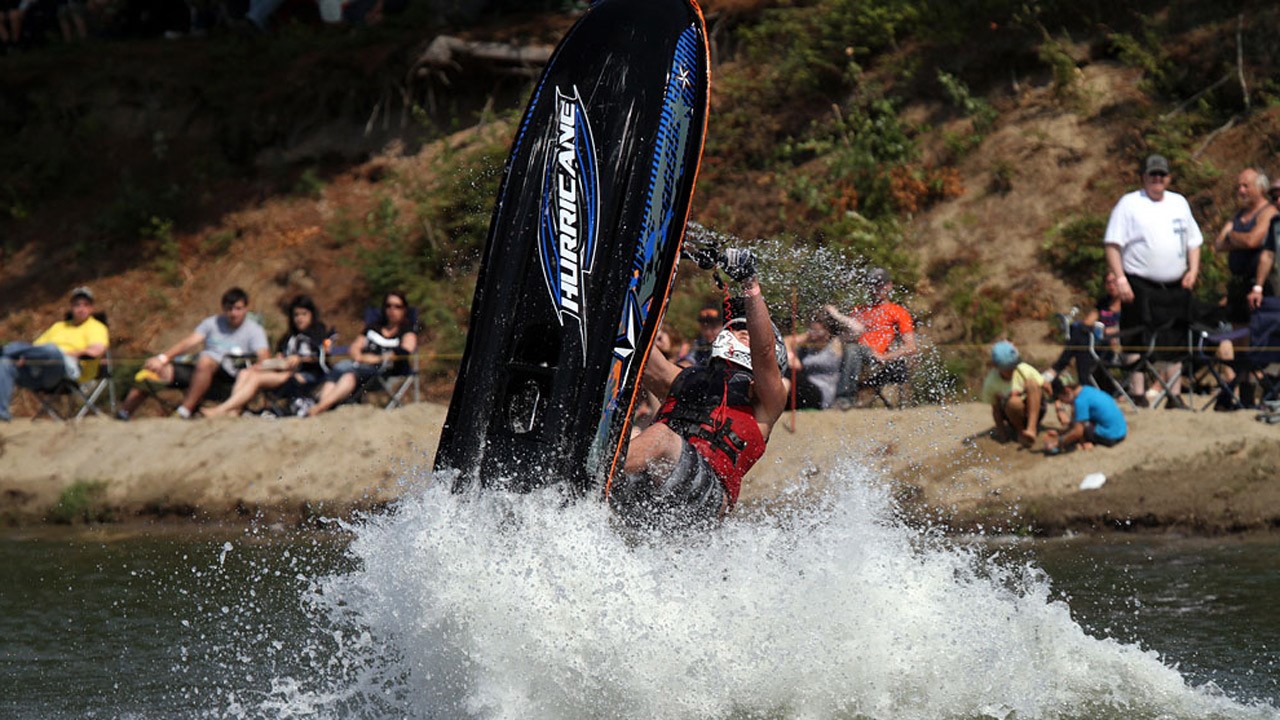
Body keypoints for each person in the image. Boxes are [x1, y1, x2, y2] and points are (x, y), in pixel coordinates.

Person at [611, 249, 787, 527]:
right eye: (734, 329)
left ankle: (588, 483)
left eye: (745, 332)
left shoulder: (766, 398)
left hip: (707, 498)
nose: (736, 332)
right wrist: (646, 269)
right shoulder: (683, 378)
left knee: (660, 438)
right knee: (624, 434)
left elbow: (763, 351)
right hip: (657, 484)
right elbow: (635, 345)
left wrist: (750, 284)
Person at [1104, 154, 1204, 409]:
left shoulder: (1179, 202)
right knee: (1135, 336)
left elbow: (1194, 241)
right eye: (1153, 174)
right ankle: (1138, 393)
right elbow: (1113, 244)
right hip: (1139, 283)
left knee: (1176, 338)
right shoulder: (1129, 204)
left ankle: (1174, 394)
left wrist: (1193, 270)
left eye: (1162, 174)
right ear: (1143, 177)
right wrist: (1121, 279)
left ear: (1168, 177)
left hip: (1176, 284)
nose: (1157, 179)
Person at [116, 287, 271, 419]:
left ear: (246, 309)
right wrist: (162, 358)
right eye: (229, 309)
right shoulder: (212, 323)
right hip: (201, 371)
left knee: (206, 360)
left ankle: (184, 411)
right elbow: (189, 342)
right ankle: (124, 414)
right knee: (154, 370)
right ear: (223, 309)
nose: (233, 313)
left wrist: (254, 368)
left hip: (228, 376)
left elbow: (264, 356)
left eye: (238, 309)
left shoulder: (254, 330)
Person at [1211, 168, 1278, 410]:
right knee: (1238, 340)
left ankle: (1263, 390)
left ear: (1260, 188)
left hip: (1259, 286)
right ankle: (1243, 392)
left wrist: (1234, 236)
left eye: (1245, 186)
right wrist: (1239, 238)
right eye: (1238, 186)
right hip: (1237, 285)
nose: (1240, 190)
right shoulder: (1239, 214)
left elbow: (1254, 240)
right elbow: (1219, 243)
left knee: (1259, 338)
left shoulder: (1269, 212)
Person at [203, 295, 330, 418]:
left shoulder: (318, 333)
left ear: (311, 315)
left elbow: (323, 355)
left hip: (304, 375)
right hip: (282, 371)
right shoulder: (288, 338)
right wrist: (277, 360)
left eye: (304, 314)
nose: (299, 318)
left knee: (256, 378)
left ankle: (221, 409)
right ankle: (235, 410)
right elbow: (280, 356)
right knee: (245, 373)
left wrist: (300, 359)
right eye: (296, 315)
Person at [1, 287, 109, 422]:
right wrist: (24, 357)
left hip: (69, 372)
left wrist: (67, 353)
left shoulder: (96, 327)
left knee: (52, 350)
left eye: (85, 305)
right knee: (5, 362)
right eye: (77, 305)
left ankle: (7, 349)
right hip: (39, 371)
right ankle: (1, 414)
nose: (81, 309)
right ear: (71, 307)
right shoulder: (59, 326)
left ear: (92, 308)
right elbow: (36, 348)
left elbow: (96, 350)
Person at [305, 290, 418, 416]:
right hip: (360, 366)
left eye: (397, 306)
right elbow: (355, 347)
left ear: (404, 310)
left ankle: (320, 408)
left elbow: (405, 351)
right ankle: (323, 408)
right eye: (388, 305)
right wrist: (359, 355)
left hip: (385, 373)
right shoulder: (373, 328)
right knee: (339, 369)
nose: (392, 310)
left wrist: (377, 358)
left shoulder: (407, 331)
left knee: (348, 375)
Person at [829, 267, 917, 409]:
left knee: (852, 350)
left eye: (880, 284)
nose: (876, 288)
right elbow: (847, 336)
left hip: (877, 357)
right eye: (872, 284)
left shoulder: (898, 312)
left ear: (889, 286)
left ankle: (844, 398)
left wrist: (886, 357)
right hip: (855, 355)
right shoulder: (859, 310)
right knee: (842, 350)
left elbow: (911, 347)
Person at [1043, 271, 1123, 389]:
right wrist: (1097, 328)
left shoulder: (1128, 303)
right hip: (1098, 342)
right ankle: (1084, 386)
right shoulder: (1104, 302)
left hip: (1117, 345)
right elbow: (1087, 322)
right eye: (1108, 282)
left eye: (1114, 282)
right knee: (1080, 334)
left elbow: (1128, 327)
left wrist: (1108, 330)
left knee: (1081, 339)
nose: (1111, 285)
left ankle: (1057, 370)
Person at [980, 340, 1045, 448]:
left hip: (1036, 410)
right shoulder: (991, 382)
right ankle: (1020, 432)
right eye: (1008, 368)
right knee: (1014, 402)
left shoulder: (1024, 369)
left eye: (1014, 366)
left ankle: (1031, 428)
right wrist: (1002, 433)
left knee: (1032, 384)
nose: (1012, 370)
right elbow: (996, 410)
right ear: (996, 367)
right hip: (1012, 415)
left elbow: (1045, 385)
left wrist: (1058, 403)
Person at [1043, 371, 1127, 454]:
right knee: (1080, 420)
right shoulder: (1087, 389)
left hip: (1110, 436)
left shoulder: (1080, 401)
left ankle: (1086, 442)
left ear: (1067, 391)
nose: (1064, 403)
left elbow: (1078, 432)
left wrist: (1059, 442)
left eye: (1061, 399)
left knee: (1082, 427)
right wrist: (1063, 432)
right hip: (1121, 431)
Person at [784, 314, 843, 409]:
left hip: (821, 392)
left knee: (790, 372)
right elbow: (786, 340)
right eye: (811, 331)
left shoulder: (835, 345)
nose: (814, 335)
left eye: (818, 332)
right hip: (804, 388)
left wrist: (835, 313)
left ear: (828, 332)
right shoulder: (809, 347)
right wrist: (792, 357)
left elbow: (855, 332)